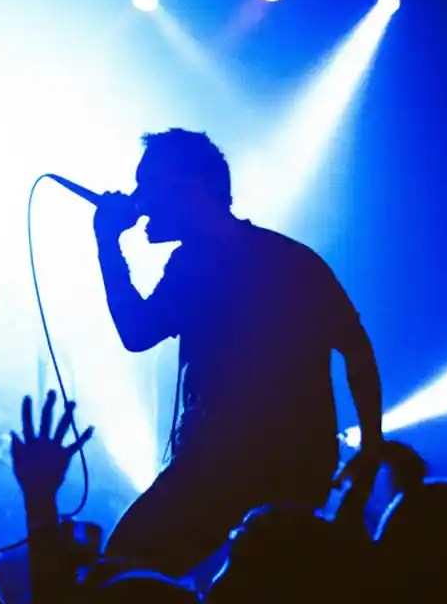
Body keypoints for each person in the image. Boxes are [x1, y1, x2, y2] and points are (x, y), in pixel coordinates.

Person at [93, 128, 383, 576]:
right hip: (297, 467)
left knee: (123, 568)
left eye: (148, 185)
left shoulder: (199, 264)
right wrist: (370, 450)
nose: (140, 202)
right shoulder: (290, 256)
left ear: (193, 188)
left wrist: (108, 244)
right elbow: (357, 350)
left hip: (225, 467)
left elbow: (136, 331)